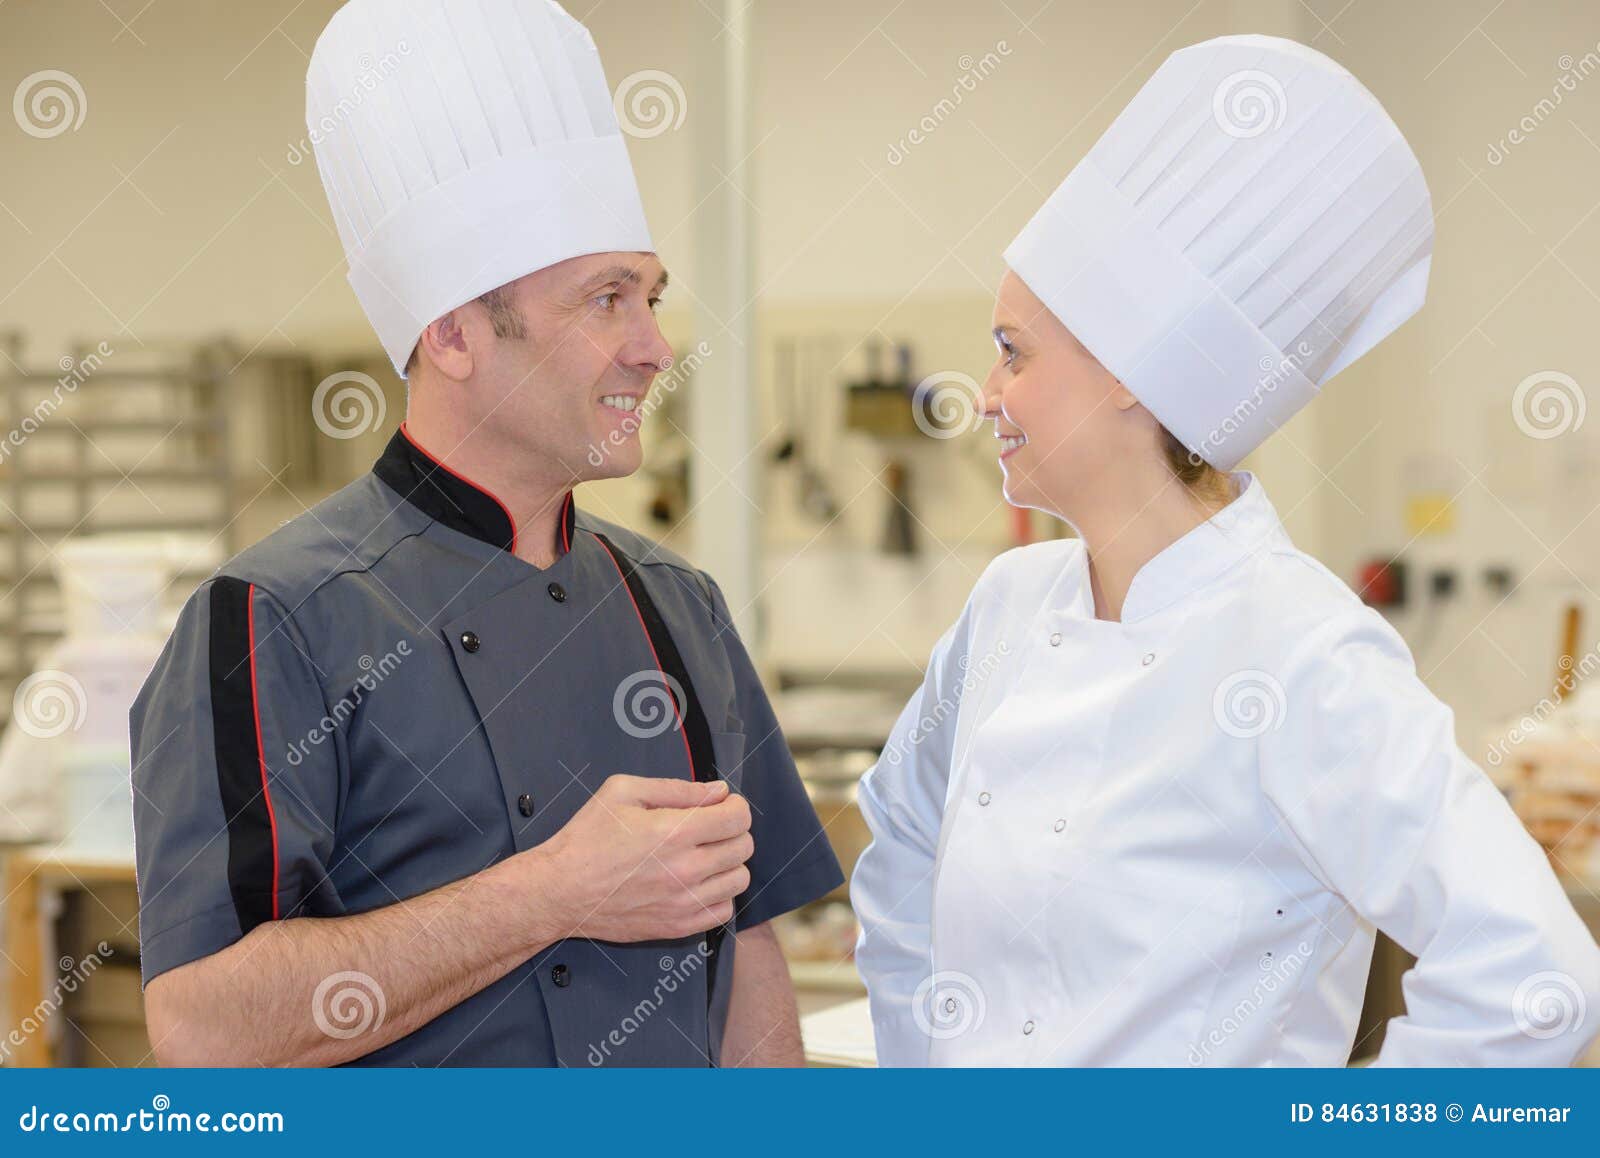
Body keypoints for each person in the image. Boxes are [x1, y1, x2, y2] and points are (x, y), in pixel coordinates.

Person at [851, 33, 1600, 1066]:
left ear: (1128, 369)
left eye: (1012, 353)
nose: (983, 394)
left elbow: (1536, 979)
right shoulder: (1007, 606)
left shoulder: (1301, 649)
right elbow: (899, 855)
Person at [130, 0, 842, 1067]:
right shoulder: (276, 618)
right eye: (605, 301)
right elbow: (204, 1031)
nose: (655, 347)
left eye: (650, 297)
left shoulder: (676, 600)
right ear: (455, 335)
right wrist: (551, 893)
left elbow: (747, 944)